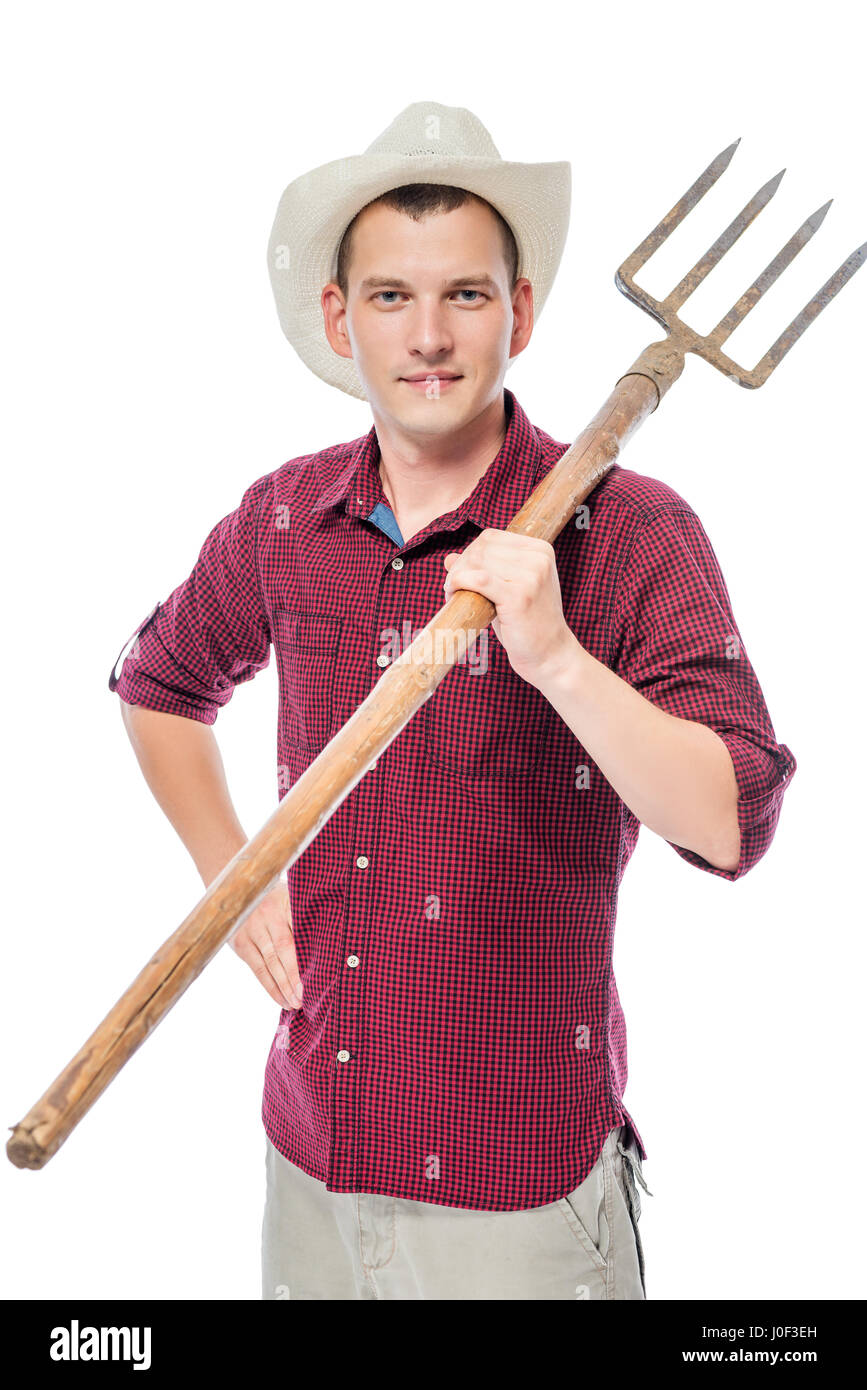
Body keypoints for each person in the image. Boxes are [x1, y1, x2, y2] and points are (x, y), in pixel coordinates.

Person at [108, 102, 797, 1300]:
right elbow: (158, 686)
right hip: (309, 1166)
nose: (428, 336)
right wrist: (236, 880)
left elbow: (734, 821)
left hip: (520, 1205)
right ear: (341, 319)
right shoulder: (285, 518)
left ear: (519, 311)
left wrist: (559, 656)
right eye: (391, 296)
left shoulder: (633, 533)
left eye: (465, 295)